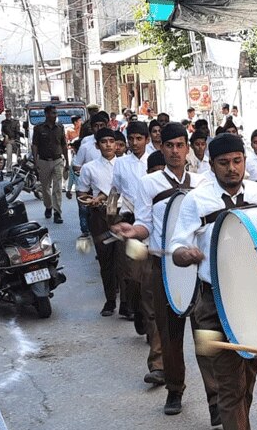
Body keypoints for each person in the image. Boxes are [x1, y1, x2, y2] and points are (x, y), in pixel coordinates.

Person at [169, 134, 257, 430]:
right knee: (229, 385)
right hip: (214, 301)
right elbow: (177, 245)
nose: (232, 169)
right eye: (223, 163)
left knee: (247, 378)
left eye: (236, 161)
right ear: (211, 165)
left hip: (256, 299)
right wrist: (186, 254)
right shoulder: (197, 200)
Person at [111, 123, 218, 420]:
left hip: (197, 267)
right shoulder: (149, 183)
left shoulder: (202, 183)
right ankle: (174, 389)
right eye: (169, 145)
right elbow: (145, 224)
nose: (175, 150)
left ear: (188, 148)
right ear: (161, 148)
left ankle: (215, 401)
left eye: (180, 145)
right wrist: (133, 231)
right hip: (164, 266)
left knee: (205, 334)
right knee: (170, 334)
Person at [111, 121, 163, 383]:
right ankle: (140, 313)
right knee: (132, 278)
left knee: (153, 295)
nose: (135, 142)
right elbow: (116, 192)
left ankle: (160, 363)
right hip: (133, 221)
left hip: (160, 236)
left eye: (139, 138)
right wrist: (114, 213)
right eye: (131, 138)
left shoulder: (158, 160)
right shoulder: (121, 163)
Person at [77, 128, 121, 316]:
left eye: (112, 141)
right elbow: (82, 193)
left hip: (123, 214)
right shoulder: (90, 168)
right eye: (104, 142)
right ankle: (110, 301)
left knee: (124, 261)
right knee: (105, 259)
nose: (109, 145)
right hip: (100, 216)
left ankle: (126, 303)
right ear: (97, 145)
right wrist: (91, 200)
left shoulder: (125, 164)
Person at [31, 105, 68, 224]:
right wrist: (36, 162)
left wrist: (67, 161)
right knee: (45, 187)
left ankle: (57, 212)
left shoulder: (60, 128)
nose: (55, 115)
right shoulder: (38, 128)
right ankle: (48, 206)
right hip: (43, 161)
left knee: (57, 188)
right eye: (53, 113)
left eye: (56, 113)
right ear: (46, 114)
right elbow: (35, 145)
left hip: (57, 161)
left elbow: (64, 145)